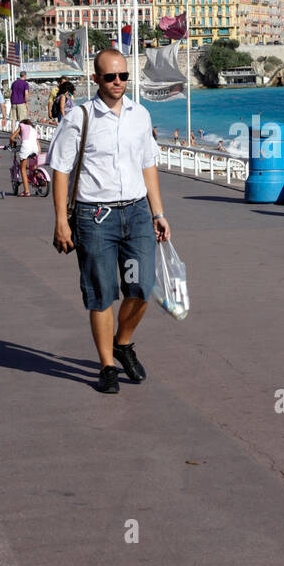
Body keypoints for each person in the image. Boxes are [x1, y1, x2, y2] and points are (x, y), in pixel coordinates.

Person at [48, 48, 170, 394]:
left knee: (141, 286)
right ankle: (106, 366)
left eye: (123, 76)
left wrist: (158, 212)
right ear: (95, 78)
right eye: (110, 77)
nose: (118, 83)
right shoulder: (80, 117)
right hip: (95, 217)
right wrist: (61, 221)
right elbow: (60, 170)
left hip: (136, 214)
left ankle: (123, 342)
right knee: (102, 294)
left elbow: (148, 164)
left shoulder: (140, 115)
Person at [13, 118, 40, 197]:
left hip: (26, 148)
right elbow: (37, 144)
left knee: (23, 168)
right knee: (33, 168)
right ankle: (38, 184)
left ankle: (26, 191)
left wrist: (11, 143)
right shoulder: (34, 131)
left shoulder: (22, 126)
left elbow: (12, 137)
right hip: (35, 149)